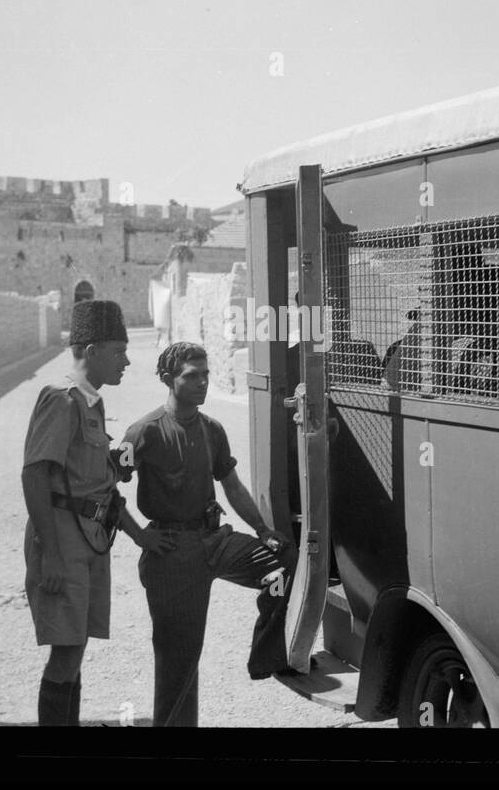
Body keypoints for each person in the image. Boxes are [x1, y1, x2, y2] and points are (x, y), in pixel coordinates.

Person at [117, 342, 296, 727]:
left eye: (205, 374)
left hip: (215, 542)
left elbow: (231, 485)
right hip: (171, 553)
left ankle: (267, 657)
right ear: (168, 379)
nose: (201, 382)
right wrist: (139, 536)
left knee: (282, 563)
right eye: (191, 376)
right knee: (179, 661)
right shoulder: (144, 432)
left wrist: (263, 530)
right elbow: (103, 485)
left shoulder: (212, 429)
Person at [21, 299, 143, 726]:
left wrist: (141, 536)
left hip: (87, 539)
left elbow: (101, 488)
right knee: (66, 651)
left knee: (75, 649)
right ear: (91, 352)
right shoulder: (62, 400)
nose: (126, 361)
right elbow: (35, 476)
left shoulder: (91, 404)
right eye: (117, 351)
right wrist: (50, 553)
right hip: (61, 538)